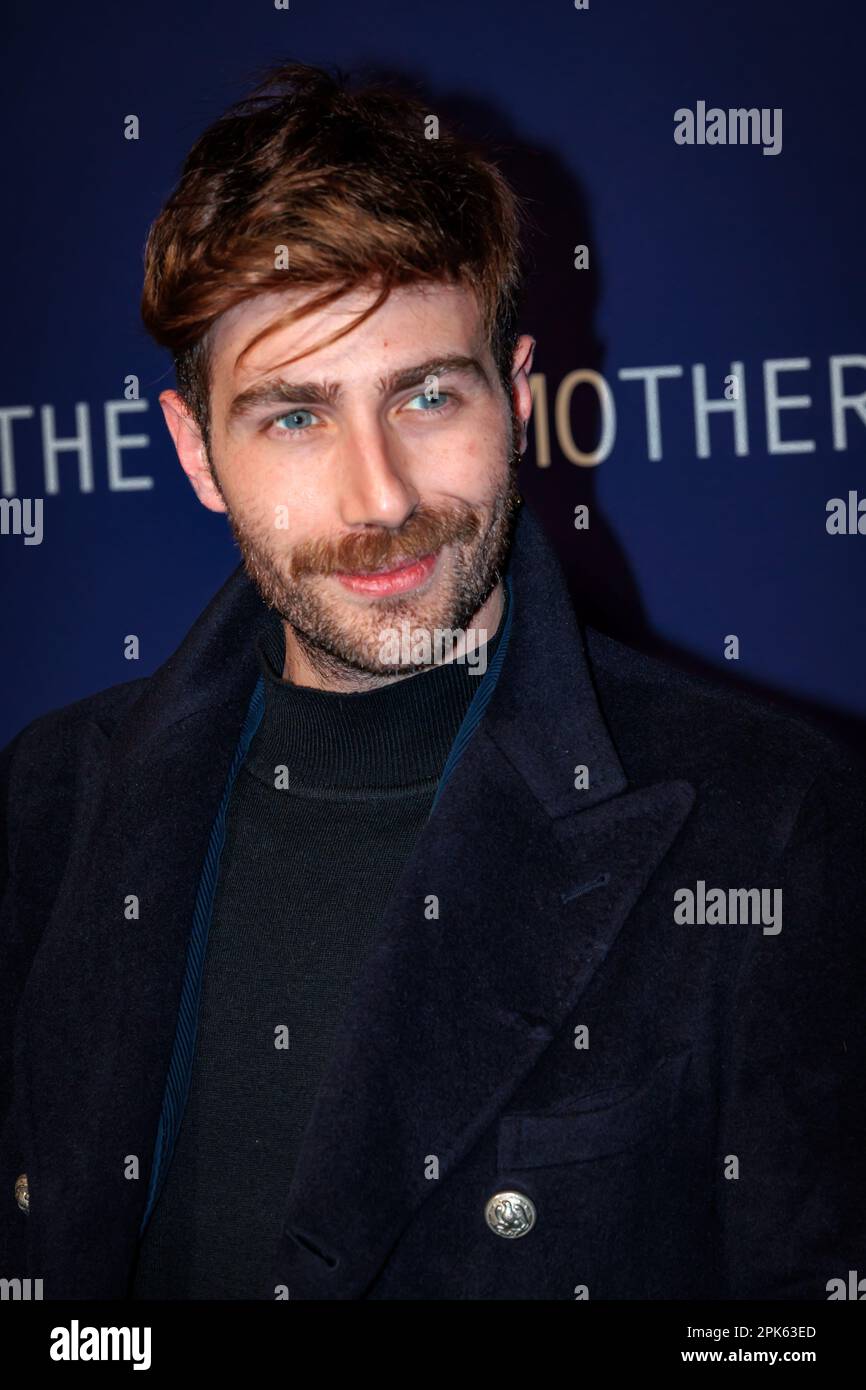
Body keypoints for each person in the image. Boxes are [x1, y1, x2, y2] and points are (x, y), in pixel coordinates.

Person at [1, 61, 864, 1302]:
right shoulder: (47, 805)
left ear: (515, 400)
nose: (383, 498)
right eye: (293, 416)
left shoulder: (768, 825)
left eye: (423, 394)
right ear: (196, 452)